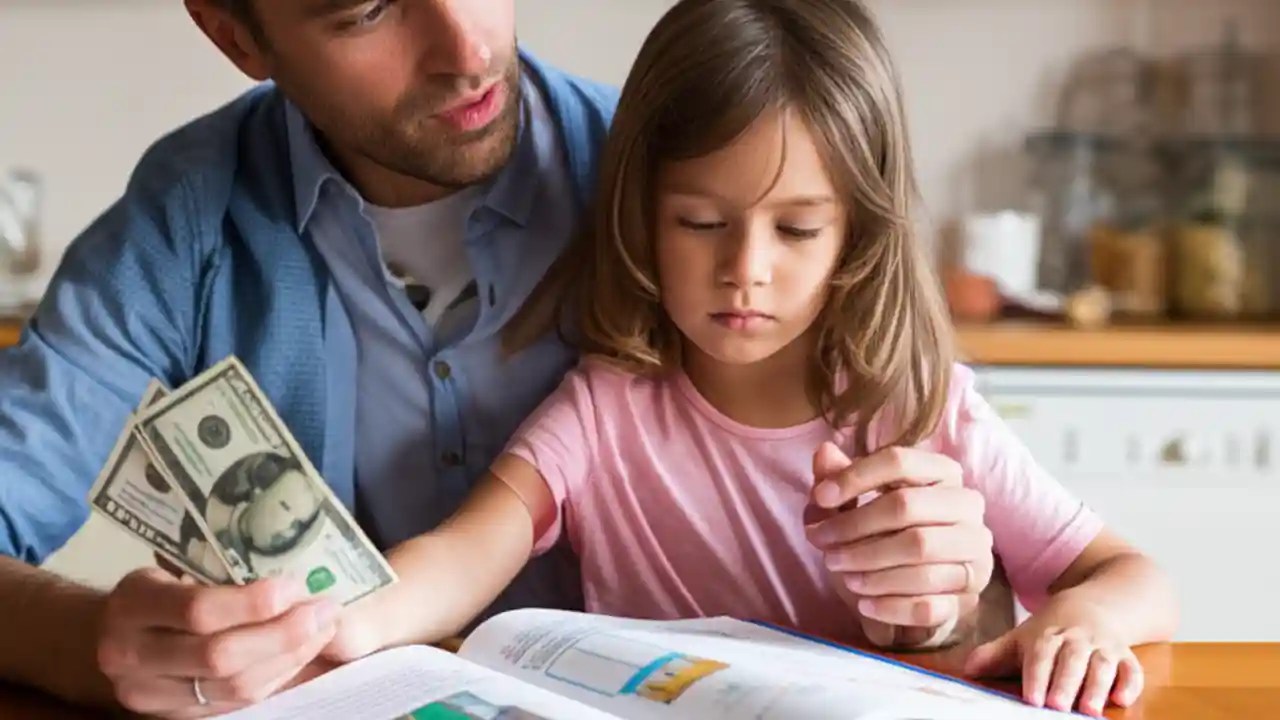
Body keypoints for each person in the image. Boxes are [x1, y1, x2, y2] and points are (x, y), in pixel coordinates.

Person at [324, 0, 1180, 717]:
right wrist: (335, 620)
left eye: (798, 229)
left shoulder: (920, 410)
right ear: (643, 216)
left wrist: (1086, 620)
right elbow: (463, 553)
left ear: (856, 235)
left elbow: (1132, 576)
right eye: (702, 223)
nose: (746, 270)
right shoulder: (602, 411)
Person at [0, 0, 618, 716]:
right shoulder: (187, 213)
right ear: (235, 38)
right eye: (367, 12)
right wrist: (89, 641)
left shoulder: (699, 183)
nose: (469, 53)